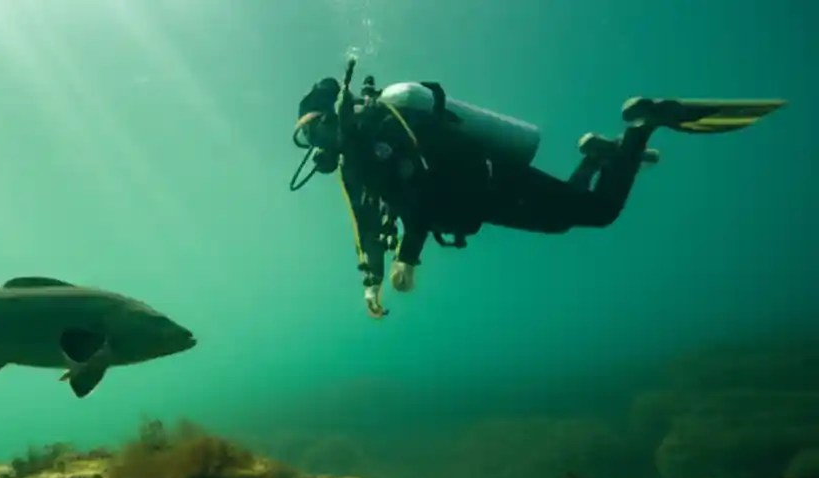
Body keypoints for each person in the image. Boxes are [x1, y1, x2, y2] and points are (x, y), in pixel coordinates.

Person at [290, 58, 786, 318]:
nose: (313, 141)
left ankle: (641, 126)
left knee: (598, 213)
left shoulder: (383, 127)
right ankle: (597, 157)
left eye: (312, 128)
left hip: (488, 181)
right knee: (562, 221)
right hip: (484, 198)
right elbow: (365, 224)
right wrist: (369, 281)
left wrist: (409, 257)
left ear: (334, 117)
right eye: (306, 135)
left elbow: (424, 188)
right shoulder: (356, 164)